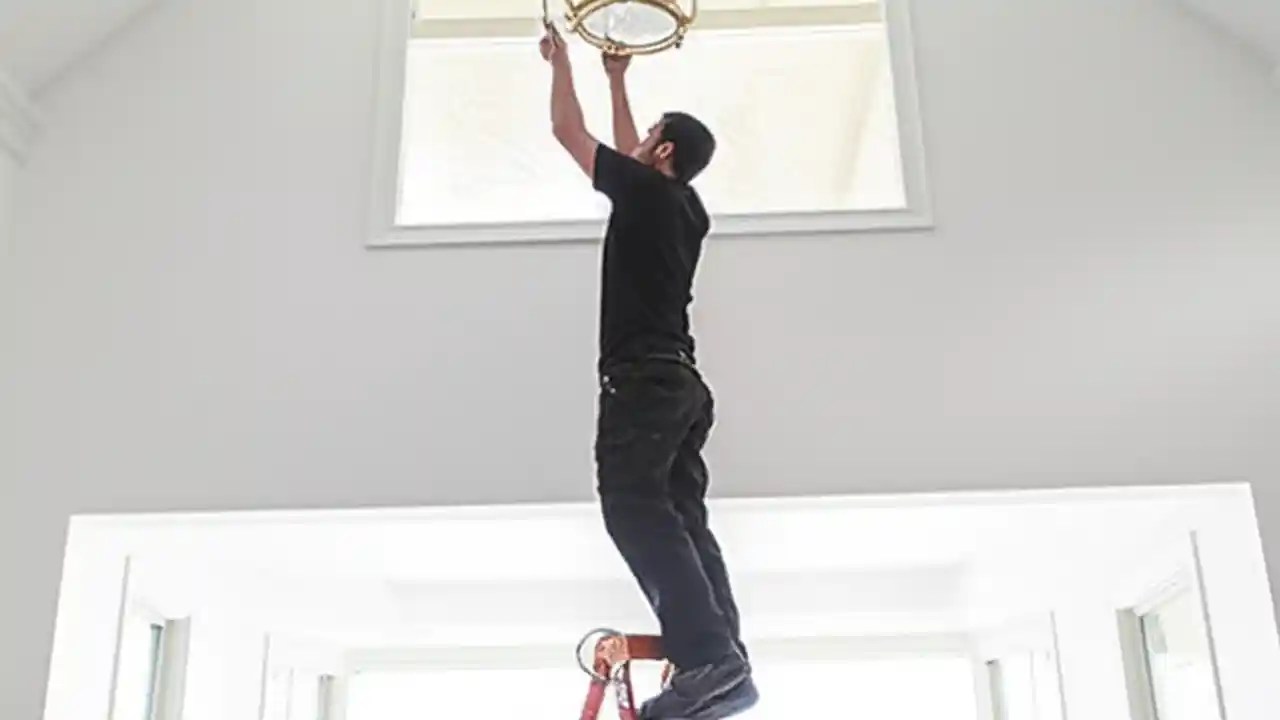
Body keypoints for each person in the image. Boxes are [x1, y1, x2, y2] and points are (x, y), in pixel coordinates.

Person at [539, 24, 758, 720]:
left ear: (660, 151)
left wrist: (564, 63)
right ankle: (727, 667)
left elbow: (566, 133)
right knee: (683, 520)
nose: (634, 144)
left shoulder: (644, 192)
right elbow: (636, 155)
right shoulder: (686, 207)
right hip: (682, 387)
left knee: (634, 508)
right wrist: (618, 80)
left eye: (649, 137)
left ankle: (712, 660)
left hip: (643, 383)